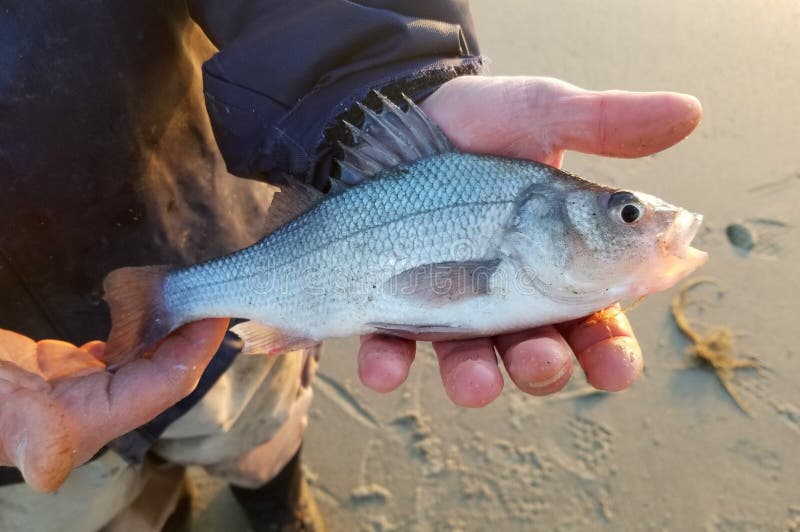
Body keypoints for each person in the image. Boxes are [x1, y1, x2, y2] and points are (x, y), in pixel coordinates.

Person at [0, 1, 702, 530]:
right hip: (21, 434)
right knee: (87, 499)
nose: (649, 224)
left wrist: (368, 81)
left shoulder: (519, 220)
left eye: (626, 212)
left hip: (193, 222)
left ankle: (271, 494)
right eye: (629, 215)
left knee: (255, 425)